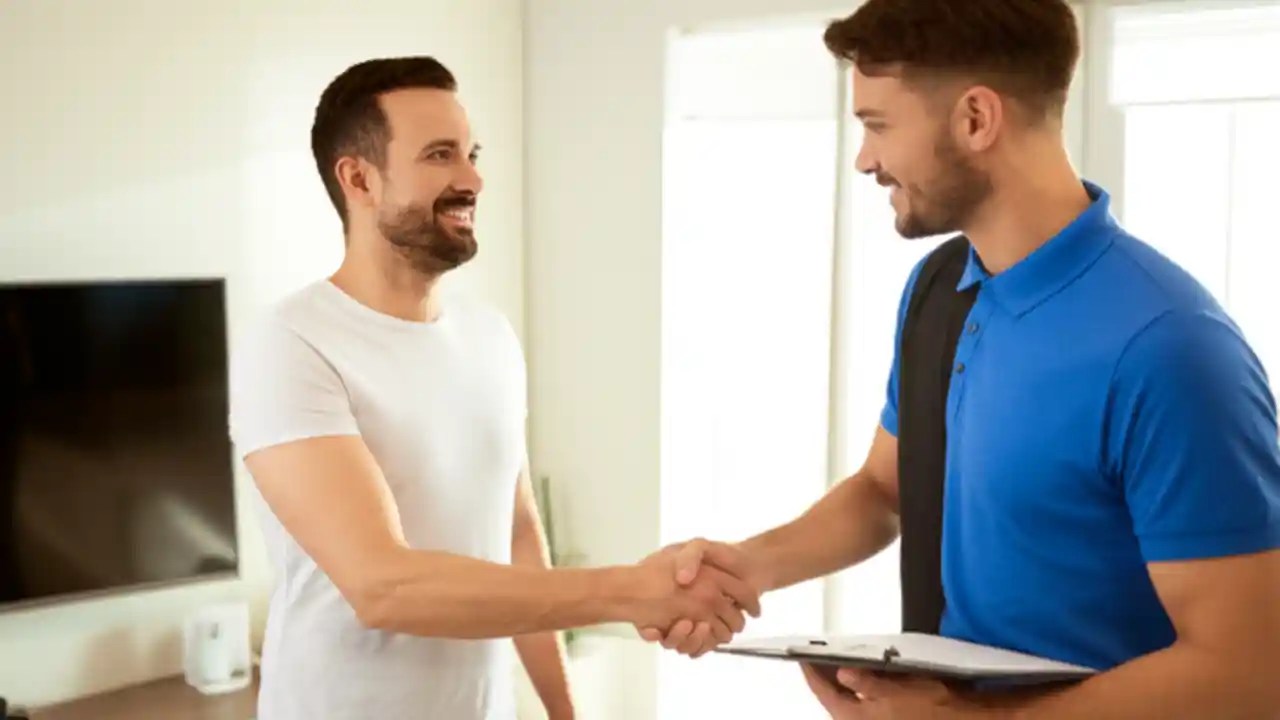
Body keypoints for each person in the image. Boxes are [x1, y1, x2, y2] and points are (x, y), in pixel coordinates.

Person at [643, 1, 1280, 718]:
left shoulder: (1171, 350)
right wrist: (743, 568)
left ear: (976, 119)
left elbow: (1247, 673)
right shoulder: (944, 289)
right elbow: (887, 489)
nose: (865, 160)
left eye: (878, 126)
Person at [228, 57, 761, 720]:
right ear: (359, 178)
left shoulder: (489, 337)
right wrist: (628, 591)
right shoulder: (291, 344)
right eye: (440, 155)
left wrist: (564, 713)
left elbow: (514, 538)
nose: (473, 178)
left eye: (472, 153)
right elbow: (382, 586)